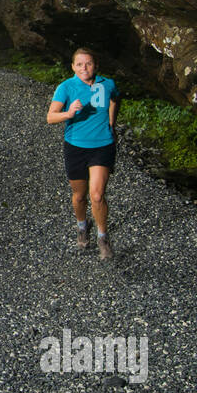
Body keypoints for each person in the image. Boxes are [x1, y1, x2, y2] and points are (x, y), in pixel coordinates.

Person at [46, 48, 120, 259]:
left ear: (95, 65)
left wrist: (112, 123)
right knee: (79, 196)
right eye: (79, 64)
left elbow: (115, 99)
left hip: (102, 145)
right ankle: (81, 225)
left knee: (97, 195)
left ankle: (103, 238)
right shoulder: (66, 87)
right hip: (75, 147)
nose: (84, 68)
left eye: (88, 64)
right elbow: (50, 117)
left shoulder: (108, 84)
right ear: (73, 67)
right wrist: (69, 113)